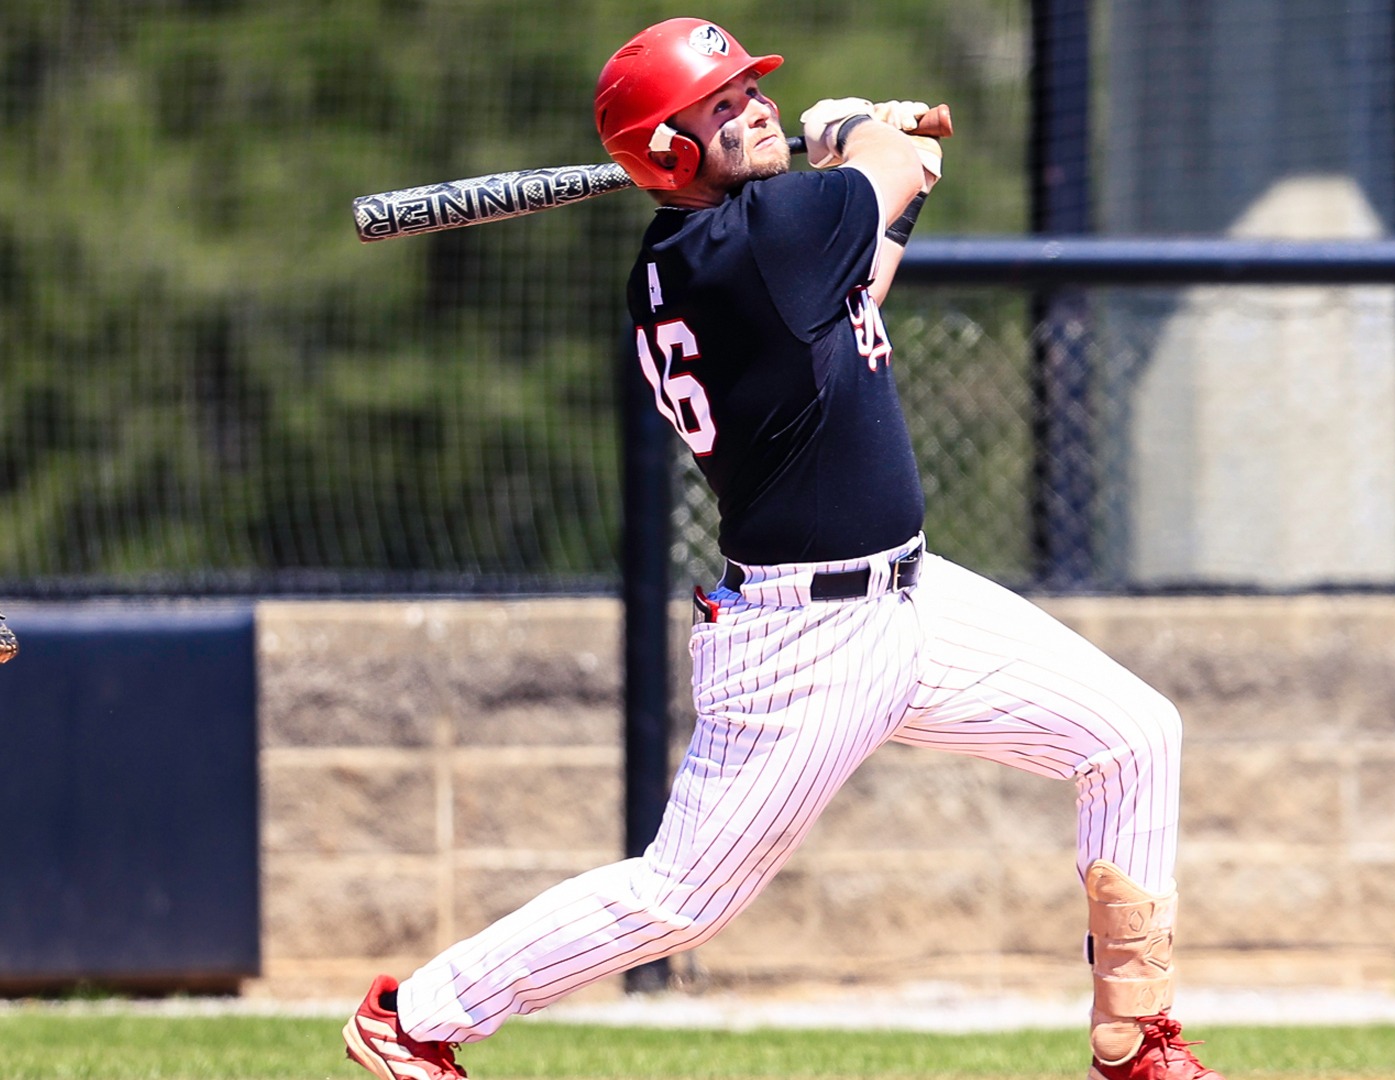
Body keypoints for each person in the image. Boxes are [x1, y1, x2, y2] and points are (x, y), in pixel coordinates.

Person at [342, 18, 1222, 1080]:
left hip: (912, 600)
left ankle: (1136, 1040)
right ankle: (418, 1017)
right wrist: (856, 134)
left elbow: (854, 298)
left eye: (752, 92)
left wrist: (894, 183)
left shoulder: (705, 253)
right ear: (667, 153)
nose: (754, 108)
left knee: (1132, 735)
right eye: (722, 107)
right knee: (680, 897)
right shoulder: (761, 236)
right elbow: (873, 171)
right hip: (805, 642)